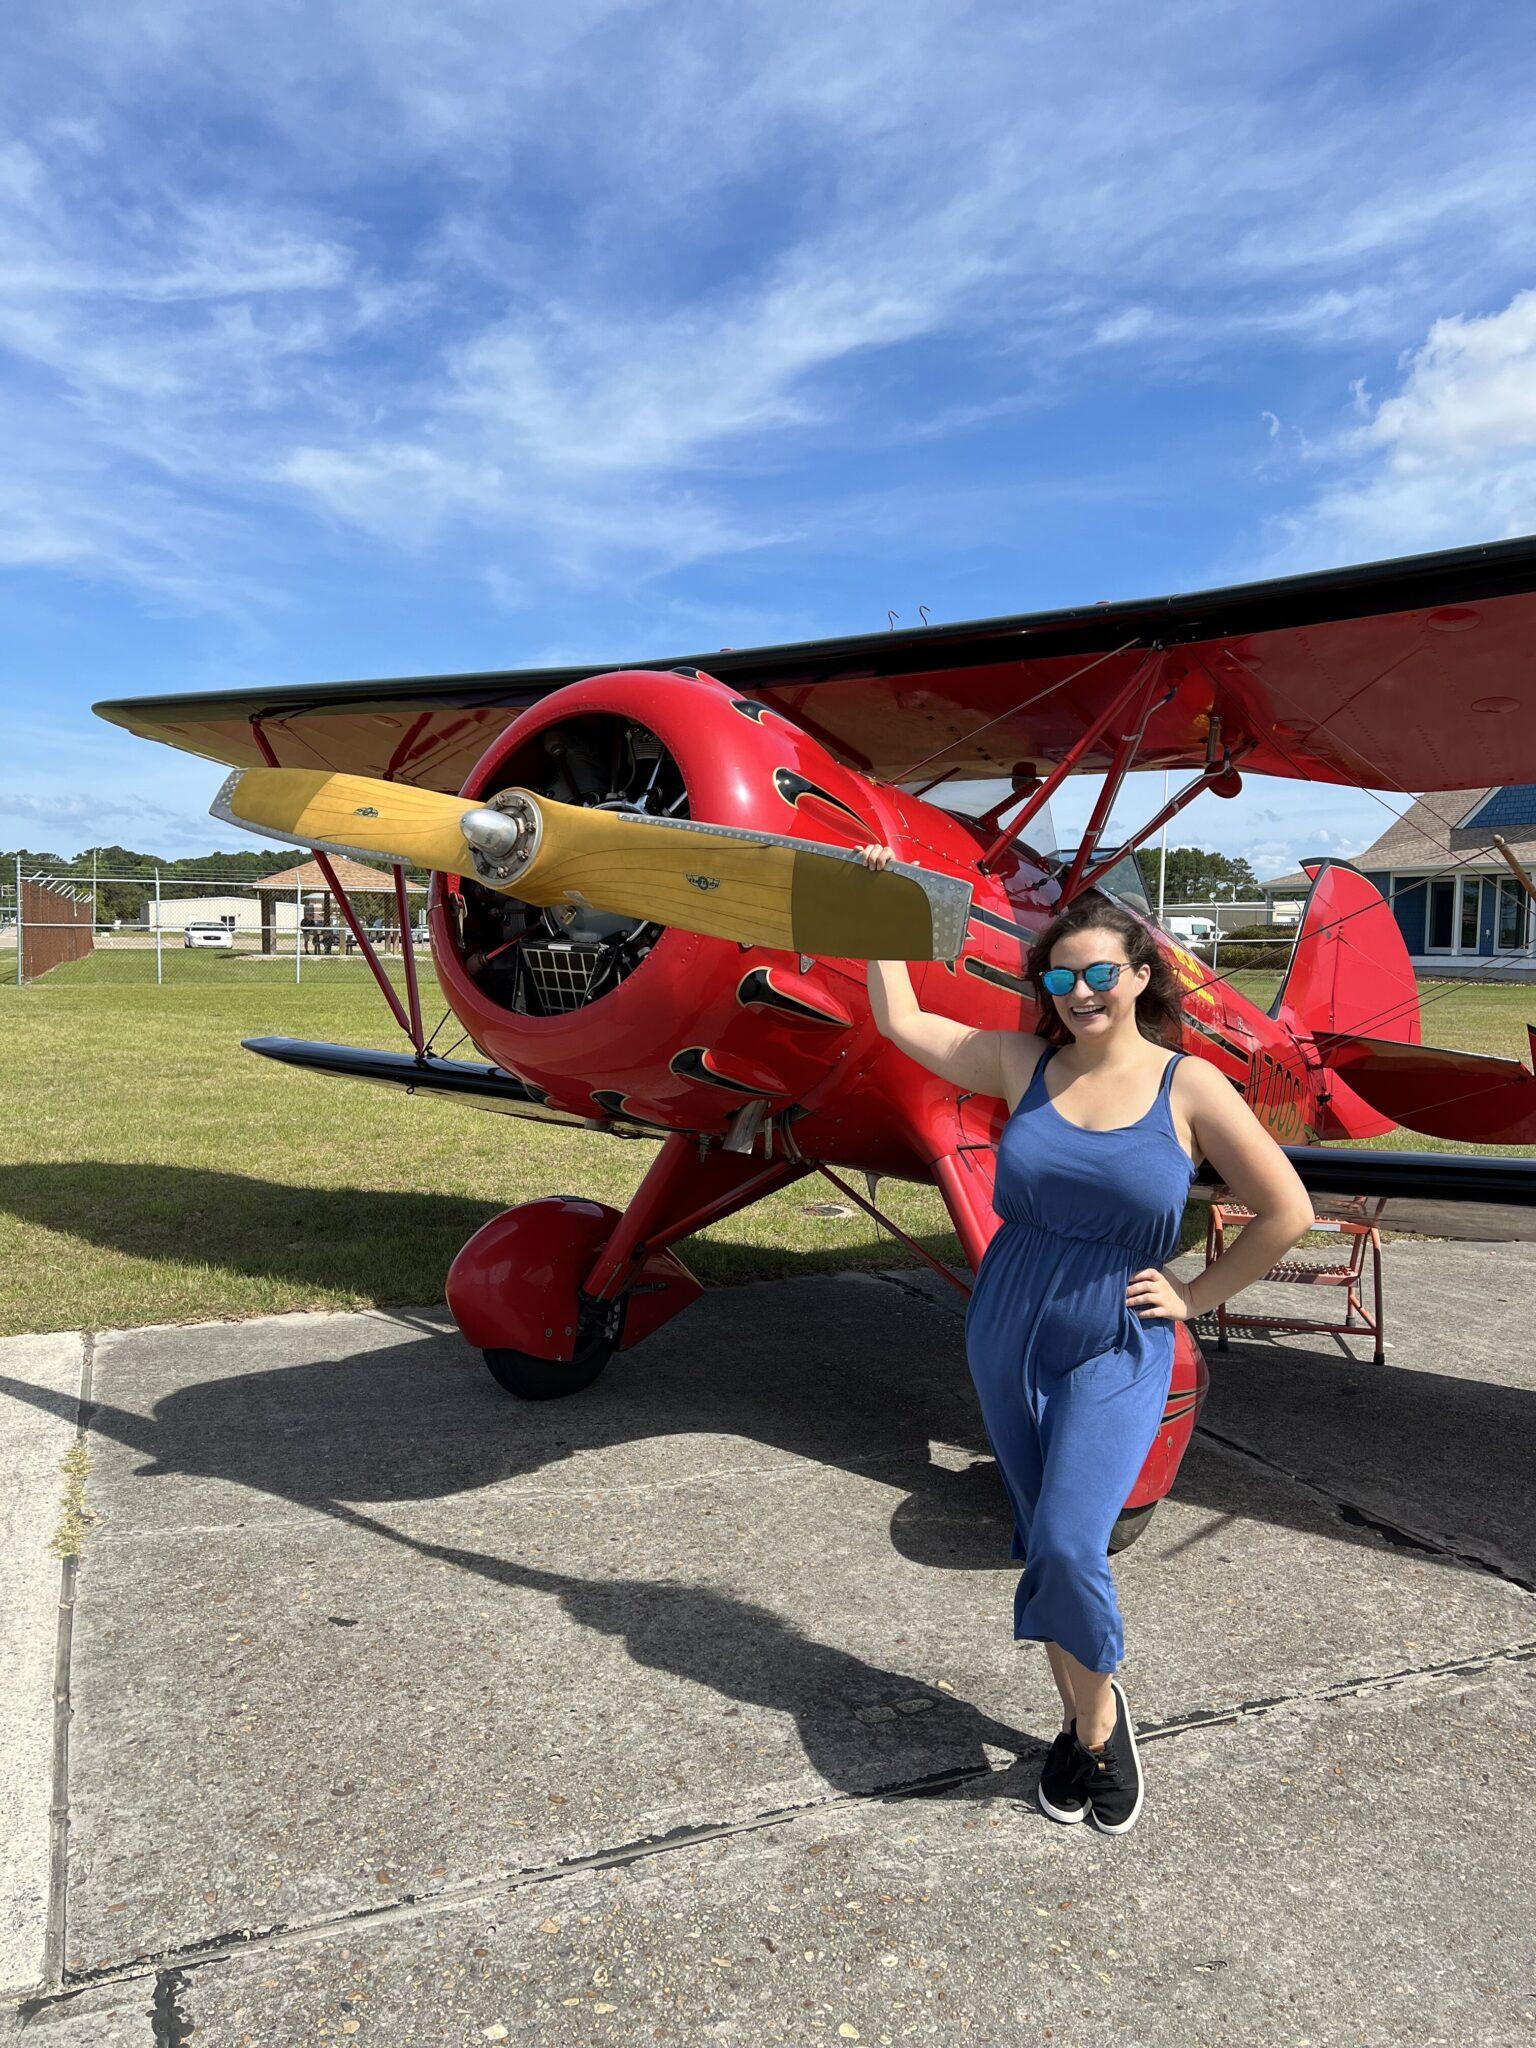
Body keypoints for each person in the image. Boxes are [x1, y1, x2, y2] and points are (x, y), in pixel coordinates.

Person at [857, 845, 1315, 1835]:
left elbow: (1286, 1208)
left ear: (1143, 976)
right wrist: (880, 906)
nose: (1079, 992)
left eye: (1101, 972)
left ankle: (1098, 1732)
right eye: (1060, 977)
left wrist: (1197, 1291)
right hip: (1009, 1325)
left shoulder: (1189, 1086)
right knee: (1041, 1538)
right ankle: (1083, 1717)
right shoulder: (1025, 1062)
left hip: (1119, 1330)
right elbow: (900, 1022)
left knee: (1072, 1538)